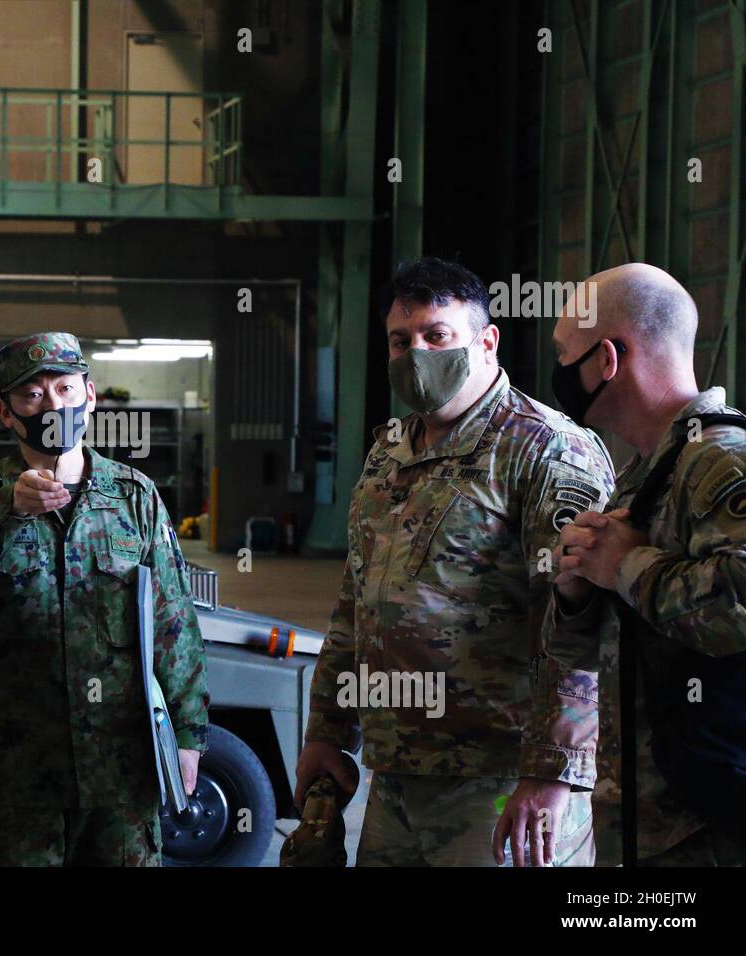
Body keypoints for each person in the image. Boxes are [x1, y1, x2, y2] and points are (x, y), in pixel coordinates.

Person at [294, 257, 615, 866]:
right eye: (400, 341)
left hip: (501, 786)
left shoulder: (546, 449)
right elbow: (353, 605)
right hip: (396, 777)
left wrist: (553, 775)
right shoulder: (390, 451)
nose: (415, 354)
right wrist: (327, 732)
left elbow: (582, 622)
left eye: (436, 337)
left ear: (486, 341)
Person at [0, 332, 208, 866]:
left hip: (121, 767)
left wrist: (189, 734)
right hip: (19, 773)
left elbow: (173, 618)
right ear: (6, 412)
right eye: (32, 395)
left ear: (90, 394)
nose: (53, 405)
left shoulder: (135, 496)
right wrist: (10, 506)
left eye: (64, 388)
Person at [551, 262, 746, 866]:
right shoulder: (647, 475)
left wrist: (628, 565)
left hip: (709, 827)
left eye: (565, 356)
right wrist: (578, 591)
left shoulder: (722, 463)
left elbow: (740, 603)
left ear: (606, 360)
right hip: (645, 819)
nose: (559, 375)